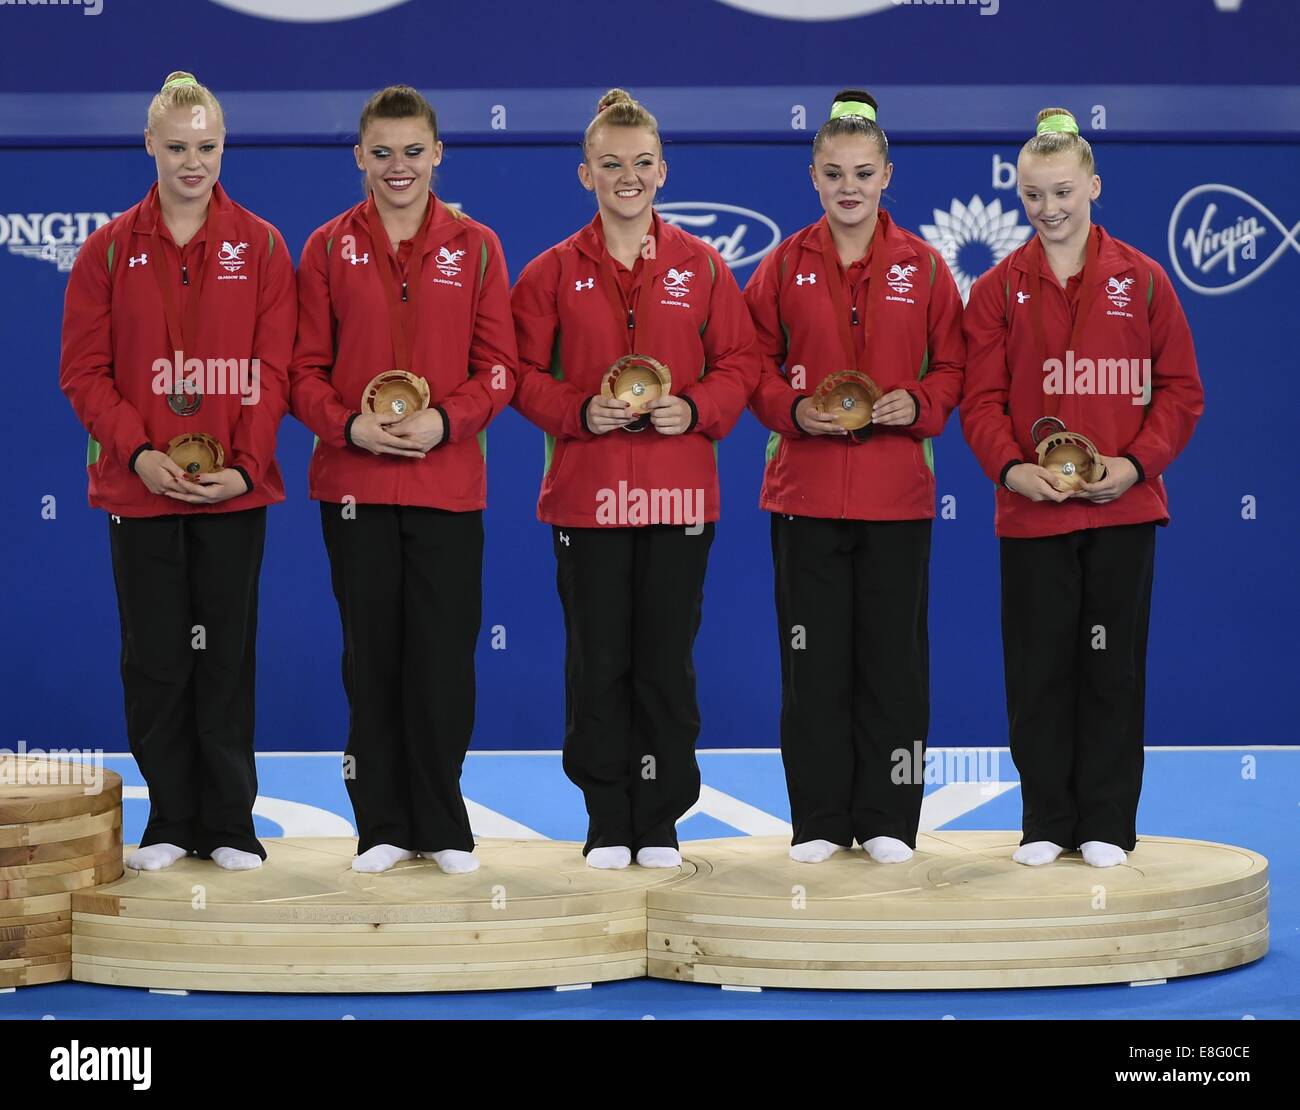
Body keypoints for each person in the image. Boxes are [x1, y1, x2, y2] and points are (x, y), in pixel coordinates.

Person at [510, 89, 760, 870]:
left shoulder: (704, 266)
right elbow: (513, 374)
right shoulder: (552, 271)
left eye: (641, 164)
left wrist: (699, 408)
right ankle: (606, 816)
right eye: (611, 164)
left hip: (679, 498)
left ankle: (659, 818)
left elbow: (743, 364)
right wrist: (578, 411)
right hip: (588, 502)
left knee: (663, 662)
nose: (628, 177)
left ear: (662, 171)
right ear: (585, 173)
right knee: (599, 662)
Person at [59, 70, 296, 872]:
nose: (193, 162)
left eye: (207, 146)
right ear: (150, 147)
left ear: (223, 146)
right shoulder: (104, 250)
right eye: (178, 147)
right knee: (158, 656)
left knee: (223, 654)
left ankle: (229, 823)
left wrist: (247, 467)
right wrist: (140, 454)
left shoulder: (261, 245)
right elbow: (84, 373)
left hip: (235, 492)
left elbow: (275, 368)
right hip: (141, 488)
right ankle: (168, 818)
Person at [961, 107, 1204, 868]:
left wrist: (1135, 467)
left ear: (1093, 185)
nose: (1049, 208)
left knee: (1111, 668)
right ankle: (1045, 821)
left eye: (1063, 191)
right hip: (1031, 517)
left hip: (1123, 511)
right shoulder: (998, 289)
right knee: (1038, 671)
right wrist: (1011, 469)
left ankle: (1105, 821)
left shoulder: (1144, 280)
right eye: (1033, 196)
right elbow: (980, 400)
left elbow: (1180, 391)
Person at [289, 86, 518, 874]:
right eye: (382, 152)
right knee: (372, 657)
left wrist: (446, 421)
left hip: (447, 486)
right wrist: (347, 425)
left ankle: (444, 822)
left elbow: (501, 368)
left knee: (443, 659)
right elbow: (301, 370)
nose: (398, 167)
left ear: (438, 155)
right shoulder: (324, 248)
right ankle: (382, 823)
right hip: (352, 488)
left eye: (413, 151)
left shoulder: (478, 244)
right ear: (359, 156)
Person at [745, 89, 965, 865]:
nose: (849, 187)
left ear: (886, 176)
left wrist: (922, 401)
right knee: (813, 664)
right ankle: (819, 819)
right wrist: (791, 410)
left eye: (863, 173)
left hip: (897, 500)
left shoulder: (925, 266)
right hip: (804, 497)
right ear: (813, 176)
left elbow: (957, 367)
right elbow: (749, 367)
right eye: (834, 172)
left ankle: (888, 819)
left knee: (893, 669)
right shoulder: (781, 266)